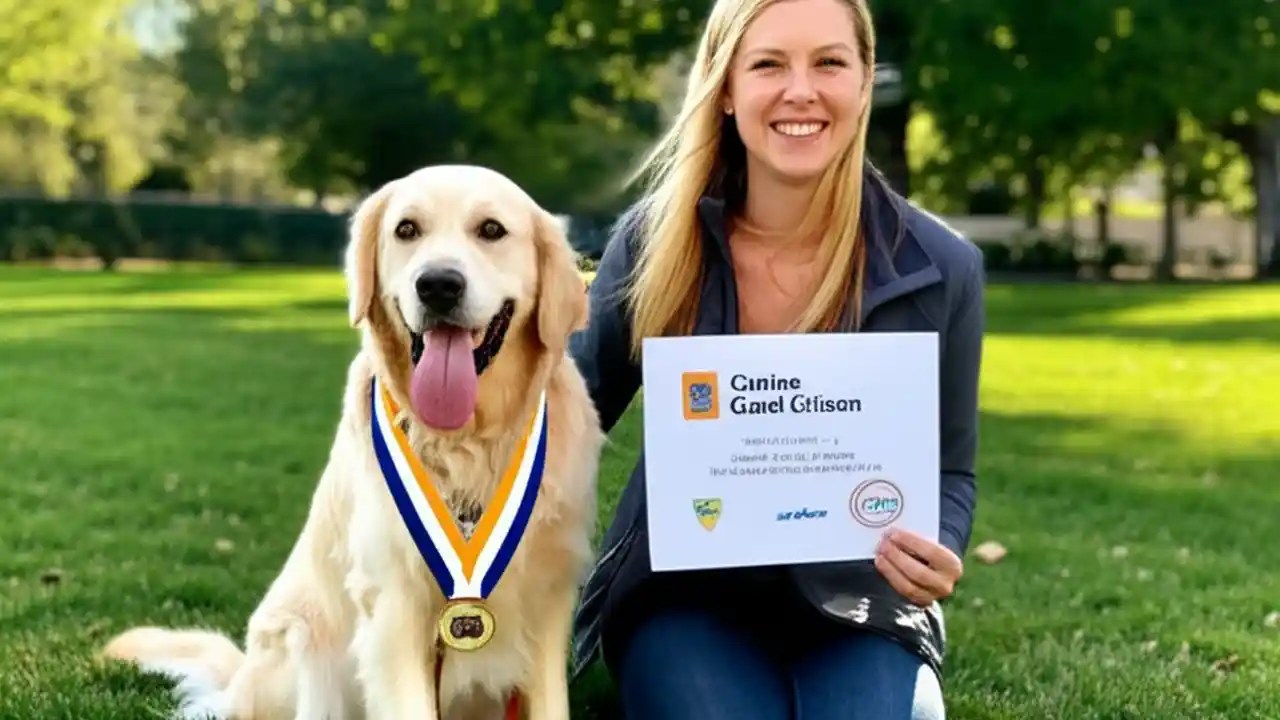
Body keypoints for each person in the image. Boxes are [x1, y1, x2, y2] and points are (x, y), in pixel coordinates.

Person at [567, 0, 985, 717]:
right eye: (768, 64)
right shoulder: (653, 244)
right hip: (684, 598)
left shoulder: (944, 267)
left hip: (865, 599)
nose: (802, 91)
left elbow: (950, 468)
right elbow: (569, 416)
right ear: (725, 88)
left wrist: (938, 544)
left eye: (829, 62)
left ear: (862, 82)